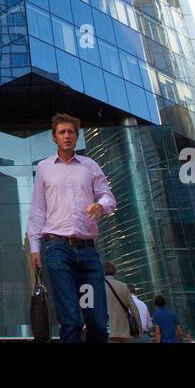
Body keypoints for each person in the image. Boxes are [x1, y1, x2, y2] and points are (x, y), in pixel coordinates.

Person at [27, 113, 116, 343]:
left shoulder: (90, 166)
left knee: (97, 322)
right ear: (54, 137)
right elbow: (37, 210)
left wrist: (101, 205)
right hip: (57, 250)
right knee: (71, 321)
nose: (67, 135)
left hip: (88, 252)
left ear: (77, 137)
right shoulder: (44, 168)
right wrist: (34, 248)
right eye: (62, 132)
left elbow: (108, 197)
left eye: (71, 132)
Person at [102, 260, 140, 343]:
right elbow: (134, 309)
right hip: (125, 332)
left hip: (109, 331)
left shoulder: (99, 287)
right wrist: (138, 329)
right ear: (115, 271)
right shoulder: (124, 286)